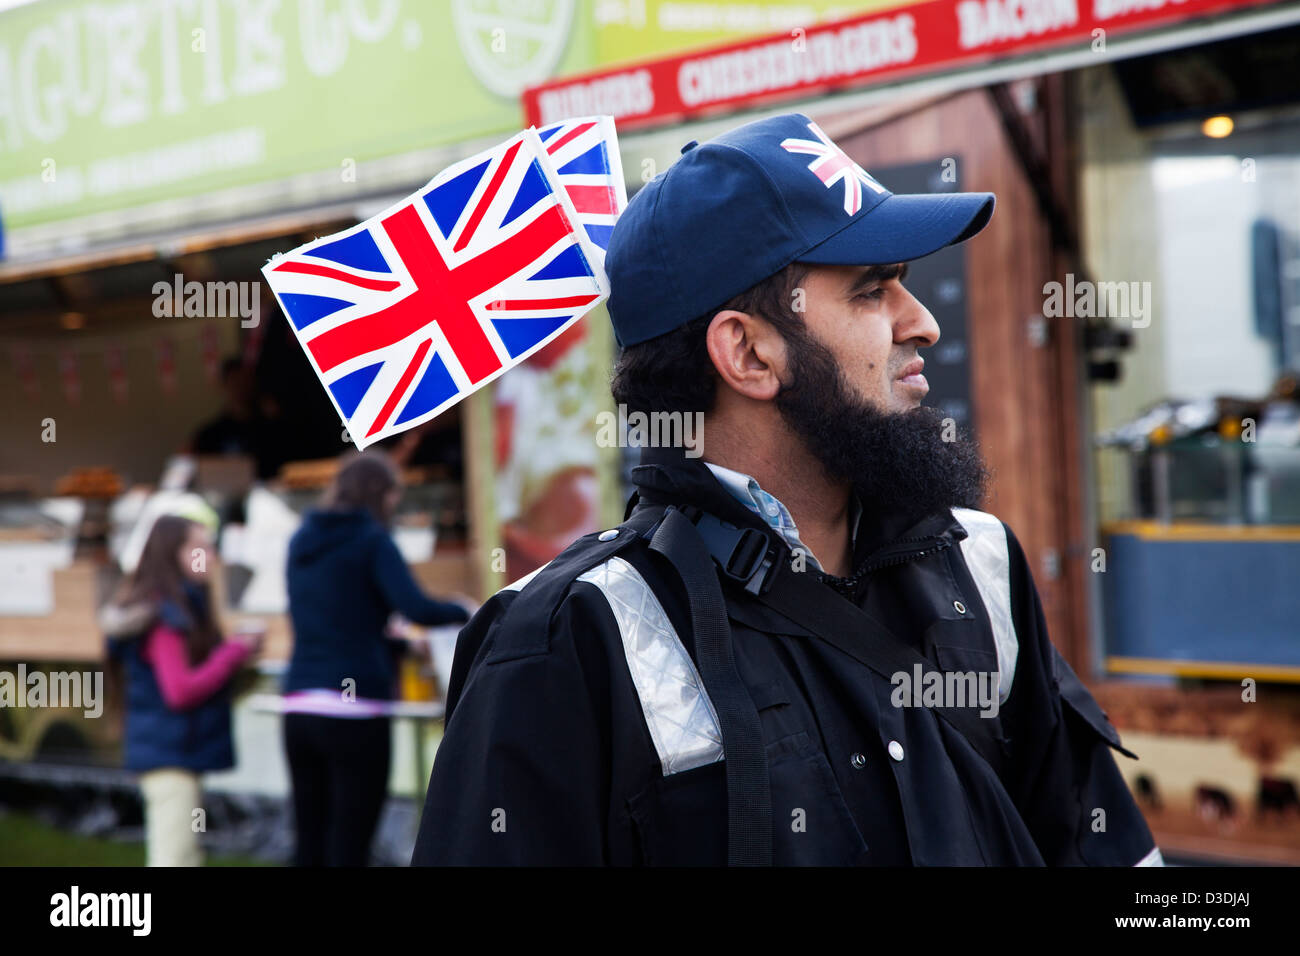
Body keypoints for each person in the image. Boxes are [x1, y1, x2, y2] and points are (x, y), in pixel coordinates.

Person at [412, 113, 1161, 866]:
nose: (925, 324)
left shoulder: (982, 564)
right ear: (748, 353)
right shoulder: (570, 636)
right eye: (872, 291)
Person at [282, 450, 471, 866]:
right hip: (355, 710)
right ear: (379, 494)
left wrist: (397, 646)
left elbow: (336, 620)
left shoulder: (301, 541)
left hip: (298, 705)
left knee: (309, 840)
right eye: (392, 497)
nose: (394, 506)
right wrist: (469, 611)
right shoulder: (371, 540)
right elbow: (416, 608)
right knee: (350, 841)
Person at [101, 514, 261, 866]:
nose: (211, 556)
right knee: (175, 858)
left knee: (186, 854)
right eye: (200, 548)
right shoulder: (165, 616)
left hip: (176, 754)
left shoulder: (182, 606)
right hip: (169, 758)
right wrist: (233, 653)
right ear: (173, 554)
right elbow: (180, 691)